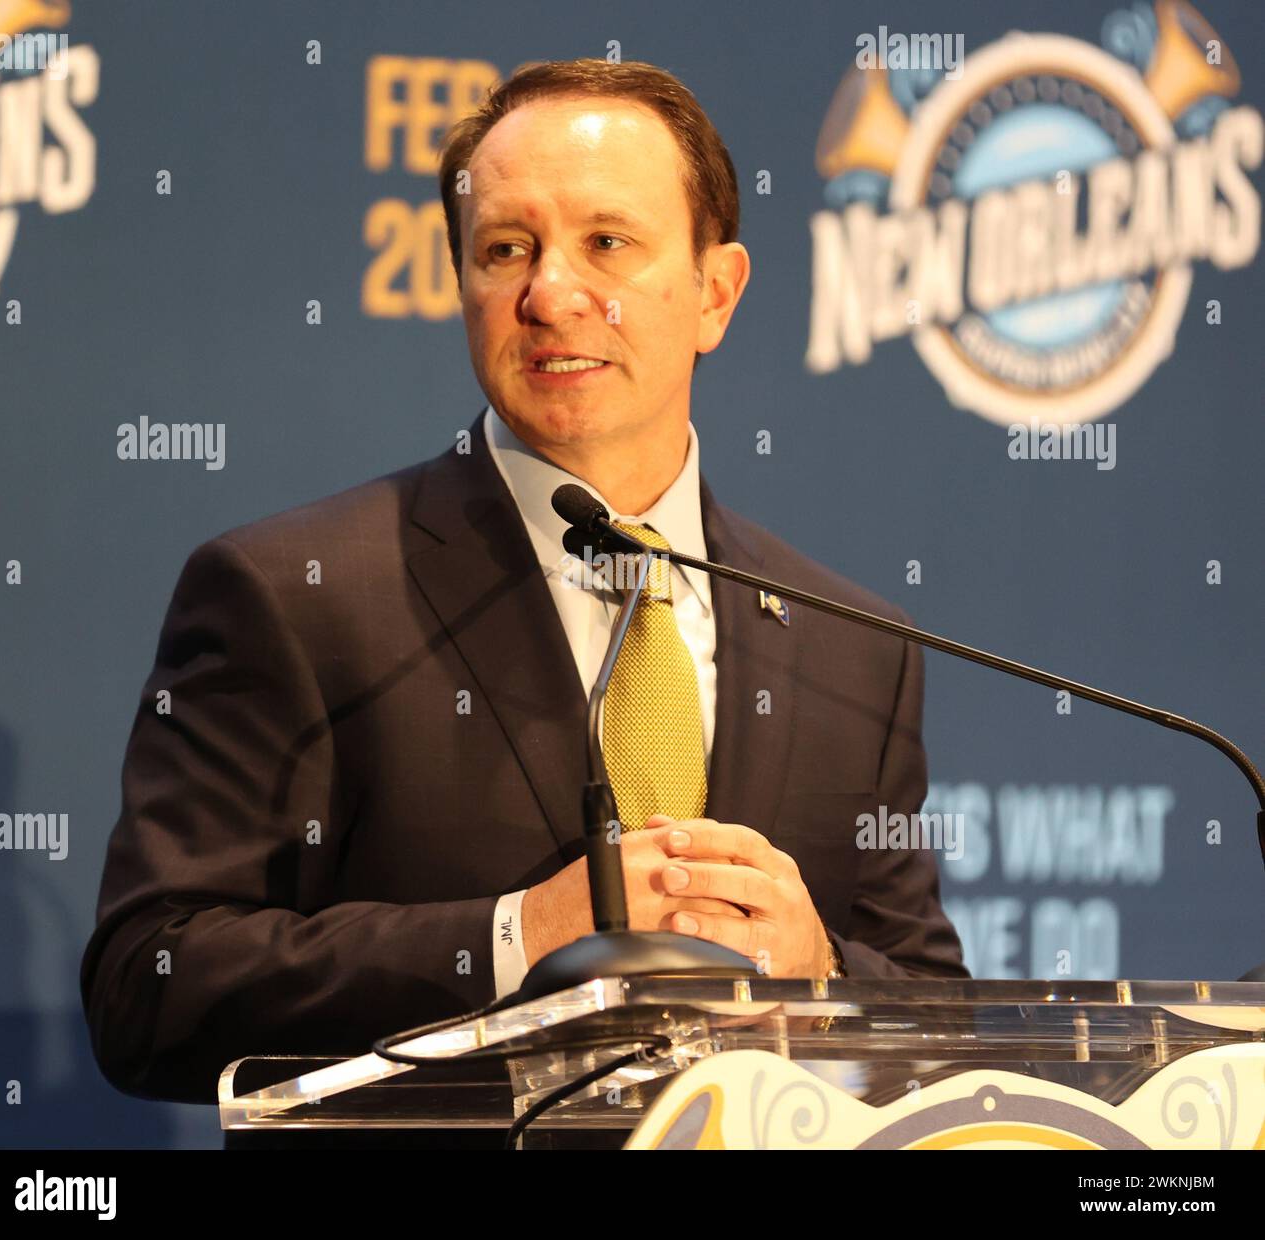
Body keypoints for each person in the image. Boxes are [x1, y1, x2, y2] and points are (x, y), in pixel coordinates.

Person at [81, 57, 967, 1108]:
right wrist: (514, 941)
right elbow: (152, 981)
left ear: (714, 293)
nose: (549, 293)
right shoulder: (297, 594)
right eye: (506, 249)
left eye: (607, 243)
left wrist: (820, 972)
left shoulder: (851, 646)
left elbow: (934, 1016)